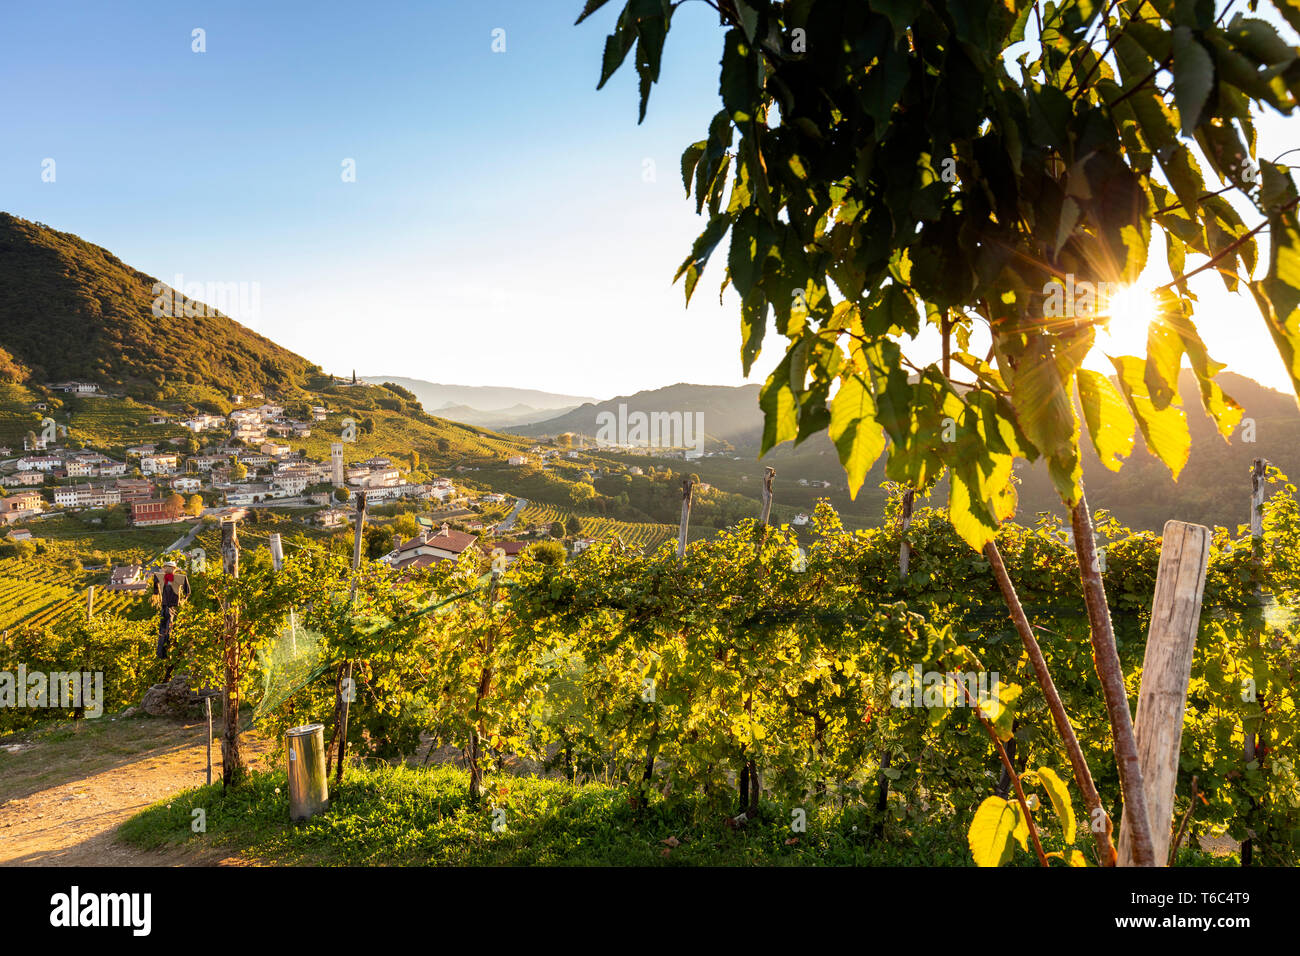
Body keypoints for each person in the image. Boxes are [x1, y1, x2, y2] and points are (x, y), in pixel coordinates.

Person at [151, 559, 191, 680]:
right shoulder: (176, 577)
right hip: (170, 607)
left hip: (169, 607)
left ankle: (163, 653)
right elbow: (188, 592)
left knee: (165, 630)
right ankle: (165, 652)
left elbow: (187, 591)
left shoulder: (178, 578)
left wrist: (156, 594)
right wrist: (182, 600)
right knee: (166, 629)